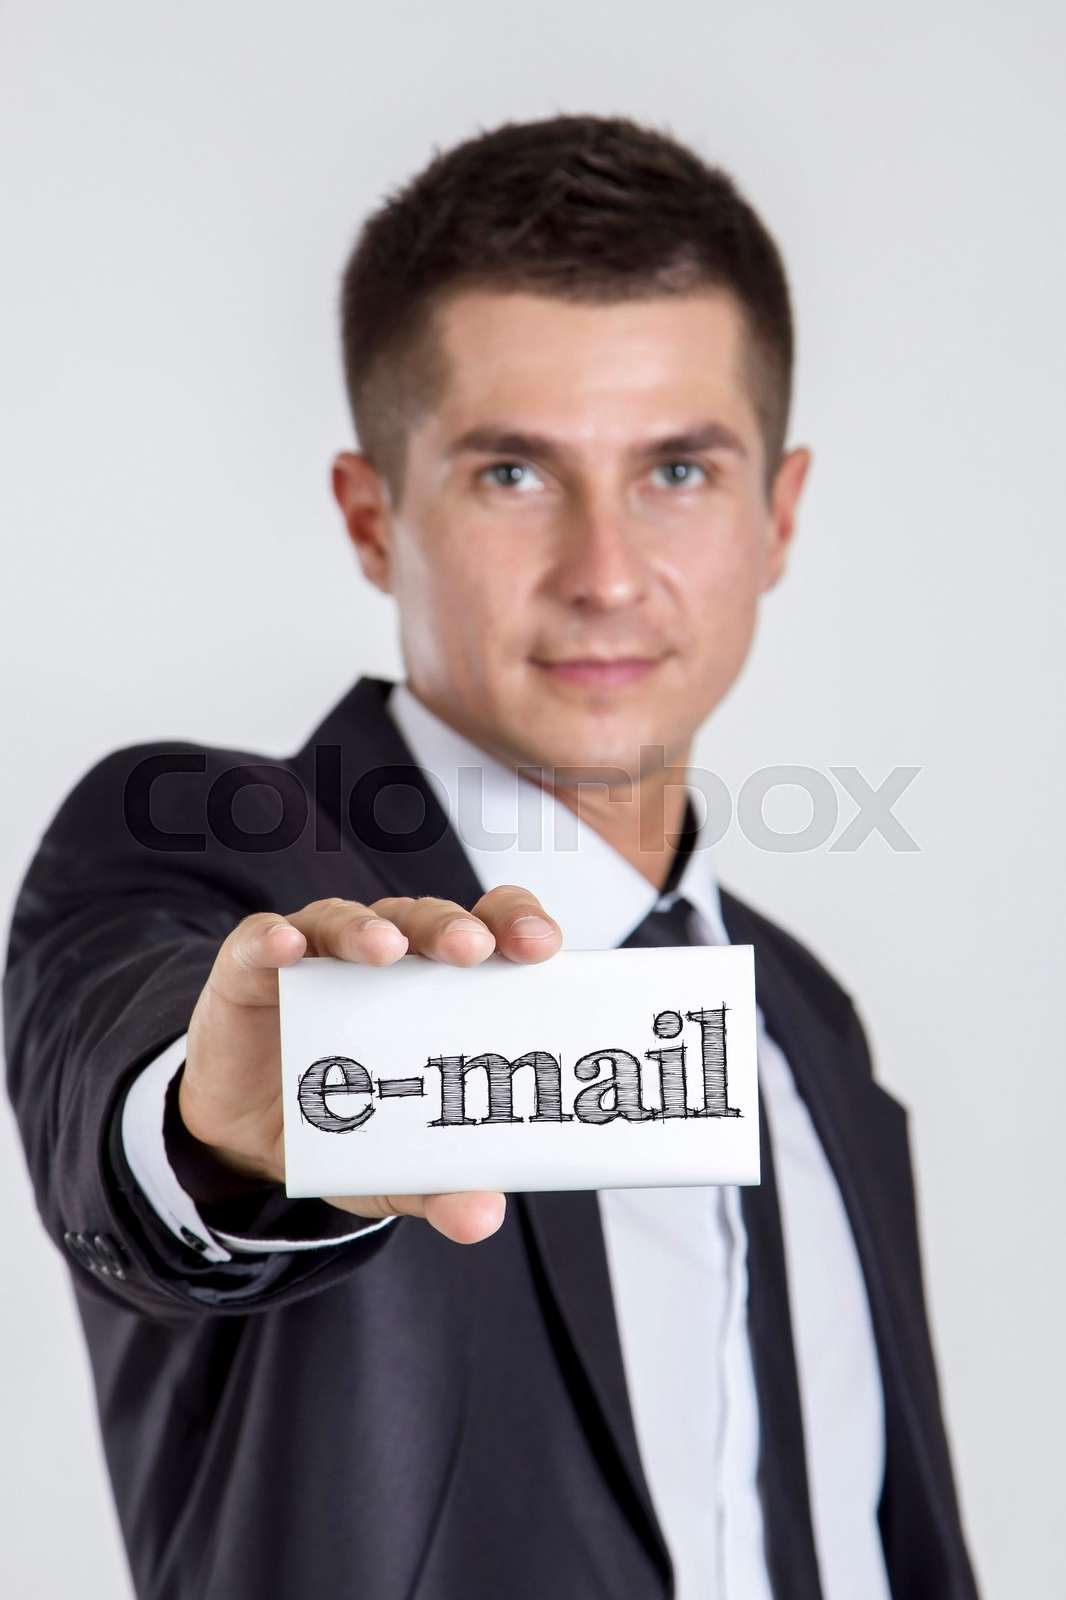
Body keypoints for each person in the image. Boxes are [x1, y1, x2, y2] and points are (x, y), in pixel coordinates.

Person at [3, 114, 979, 1600]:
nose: (602, 571)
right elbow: (128, 1109)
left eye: (676, 471)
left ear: (776, 517)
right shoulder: (213, 861)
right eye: (512, 474)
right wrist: (224, 1130)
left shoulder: (806, 1018)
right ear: (371, 513)